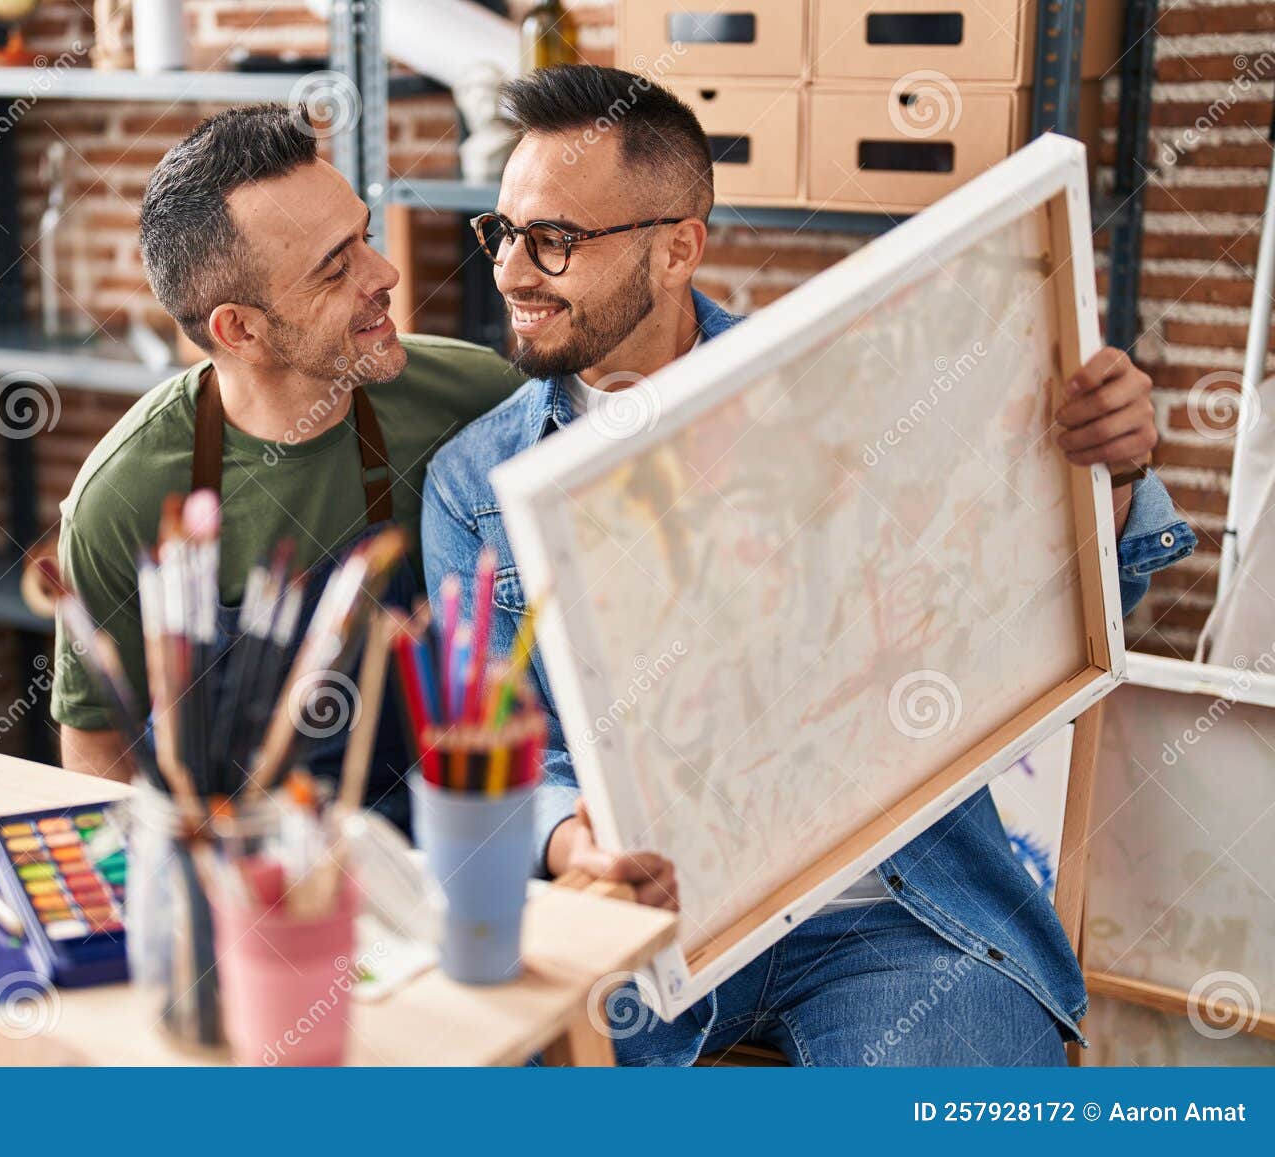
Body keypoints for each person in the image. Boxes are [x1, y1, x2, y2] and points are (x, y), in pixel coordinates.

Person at [421, 65, 1197, 1066]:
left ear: (676, 247)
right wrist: (577, 842)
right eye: (503, 232)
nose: (513, 273)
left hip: (896, 911)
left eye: (555, 240)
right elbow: (493, 751)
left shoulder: (849, 389)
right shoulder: (475, 482)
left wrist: (1114, 472)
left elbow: (1048, 601)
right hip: (647, 926)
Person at [52, 104, 523, 829]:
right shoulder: (123, 497)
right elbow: (95, 752)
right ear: (239, 329)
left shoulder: (475, 397)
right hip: (250, 874)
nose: (387, 272)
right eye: (336, 270)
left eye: (364, 237)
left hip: (437, 841)